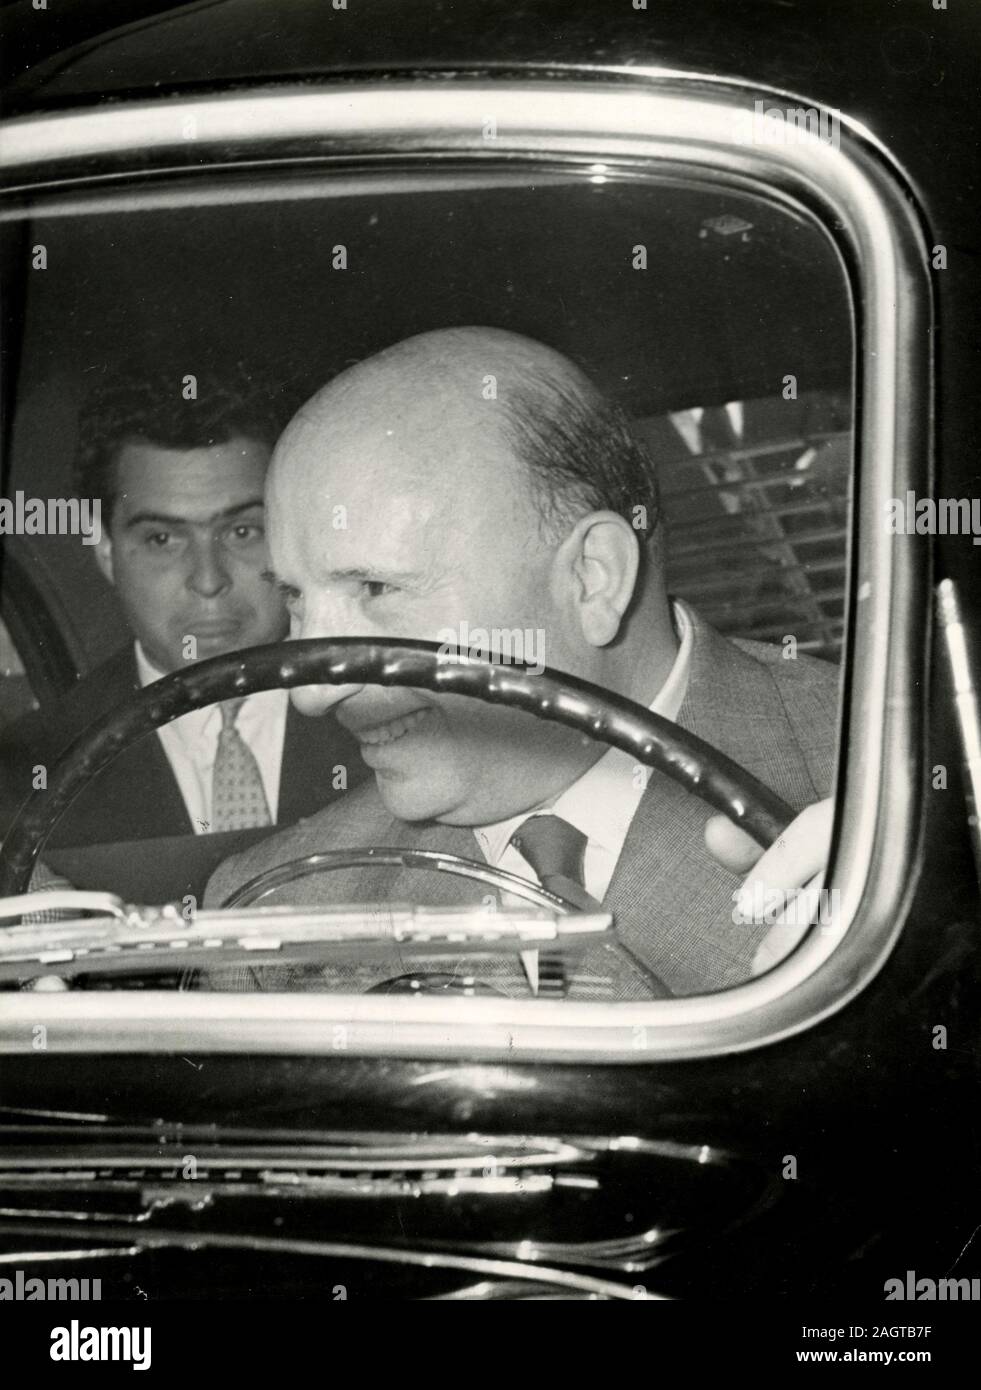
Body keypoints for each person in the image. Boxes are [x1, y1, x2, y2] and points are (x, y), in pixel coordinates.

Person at [203, 328, 837, 997]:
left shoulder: (911, 811)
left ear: (593, 578)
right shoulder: (270, 917)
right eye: (295, 600)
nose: (308, 694)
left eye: (377, 590)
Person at [0, 368, 366, 849]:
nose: (208, 580)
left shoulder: (392, 723)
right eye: (162, 539)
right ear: (106, 548)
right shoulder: (24, 778)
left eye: (242, 531)